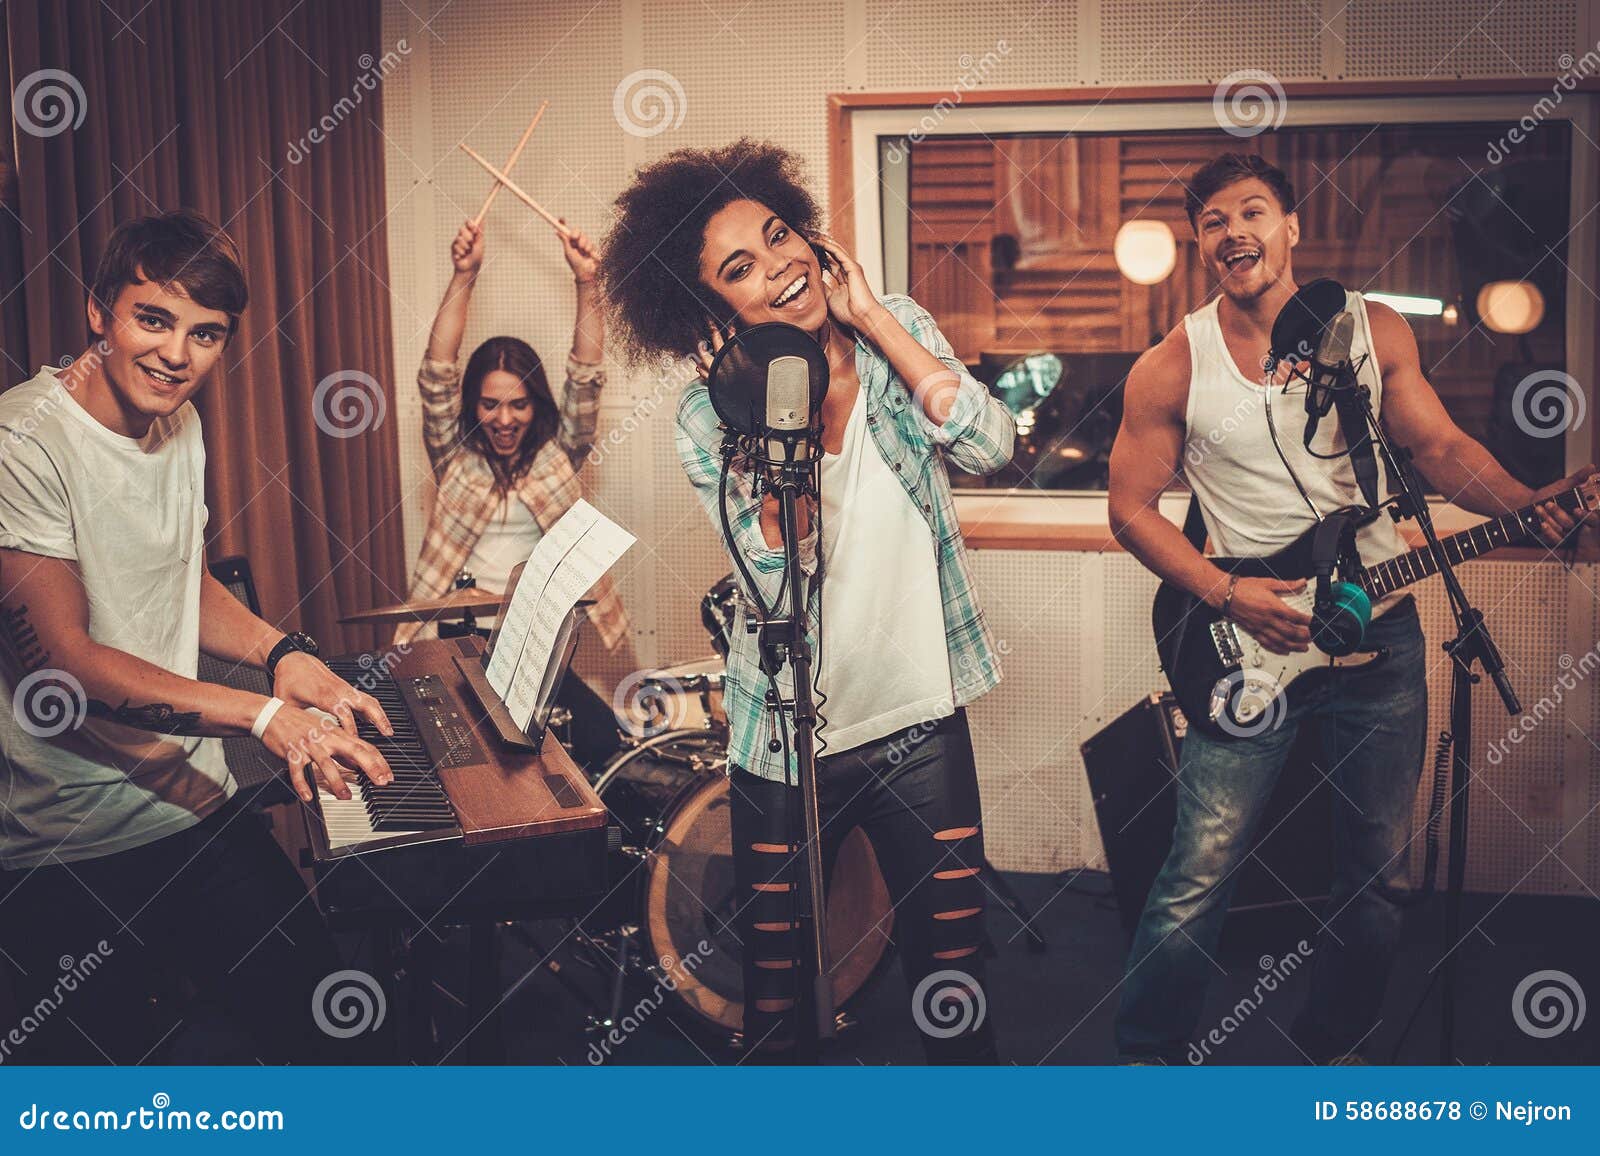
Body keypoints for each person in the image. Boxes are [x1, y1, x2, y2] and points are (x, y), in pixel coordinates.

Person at [1107, 152, 1595, 1064]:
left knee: (1376, 875)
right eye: (1213, 220)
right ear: (1200, 245)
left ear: (1292, 229)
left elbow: (1442, 450)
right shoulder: (1172, 365)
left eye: (1253, 211)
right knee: (1200, 870)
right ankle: (1150, 1057)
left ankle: (1337, 1050)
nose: (1233, 231)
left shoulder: (1370, 331)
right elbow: (1128, 510)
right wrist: (1226, 592)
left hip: (1383, 636)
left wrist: (1532, 504)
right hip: (1248, 634)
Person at [600, 138, 1015, 1063]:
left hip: (918, 728)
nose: (781, 265)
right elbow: (784, 579)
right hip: (786, 750)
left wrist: (873, 316)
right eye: (740, 267)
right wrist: (766, 414)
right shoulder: (707, 417)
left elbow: (990, 446)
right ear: (710, 311)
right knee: (780, 1012)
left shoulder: (892, 327)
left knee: (953, 989)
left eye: (780, 235)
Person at [0, 209, 396, 1063]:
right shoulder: (22, 438)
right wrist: (260, 717)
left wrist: (283, 655)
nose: (177, 355)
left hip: (192, 802)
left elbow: (181, 575)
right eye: (154, 319)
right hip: (69, 842)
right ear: (98, 311)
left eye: (205, 334)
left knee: (337, 1033)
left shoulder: (179, 424)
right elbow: (67, 667)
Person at [394, 218, 628, 771]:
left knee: (594, 741)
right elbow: (437, 373)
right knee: (477, 765)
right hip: (458, 641)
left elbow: (587, 374)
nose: (503, 419)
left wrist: (587, 283)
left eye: (518, 404)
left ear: (536, 405)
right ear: (472, 407)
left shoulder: (558, 452)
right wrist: (464, 274)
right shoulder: (456, 455)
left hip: (534, 643)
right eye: (490, 404)